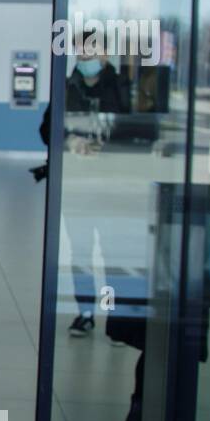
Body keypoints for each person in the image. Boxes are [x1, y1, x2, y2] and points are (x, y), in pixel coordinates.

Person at [60, 30, 129, 336]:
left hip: (115, 186)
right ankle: (85, 312)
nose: (85, 58)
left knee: (115, 254)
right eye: (81, 52)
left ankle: (116, 319)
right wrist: (69, 139)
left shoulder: (120, 86)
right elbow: (48, 128)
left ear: (104, 53)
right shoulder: (67, 87)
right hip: (79, 185)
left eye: (92, 51)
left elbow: (133, 126)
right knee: (81, 252)